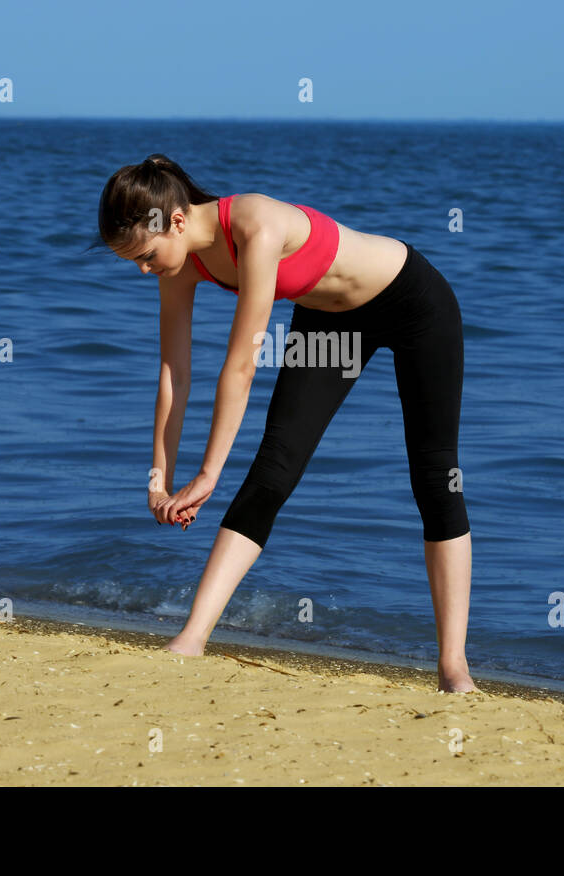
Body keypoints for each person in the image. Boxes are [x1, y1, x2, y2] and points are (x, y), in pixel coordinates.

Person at [96, 154, 475, 691]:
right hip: (328, 323)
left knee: (435, 477)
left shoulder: (256, 224)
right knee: (274, 467)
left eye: (145, 254)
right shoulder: (180, 266)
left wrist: (206, 475)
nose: (143, 267)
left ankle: (453, 667)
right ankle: (192, 639)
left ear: (175, 221)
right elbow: (173, 374)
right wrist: (158, 478)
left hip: (414, 304)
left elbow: (242, 362)